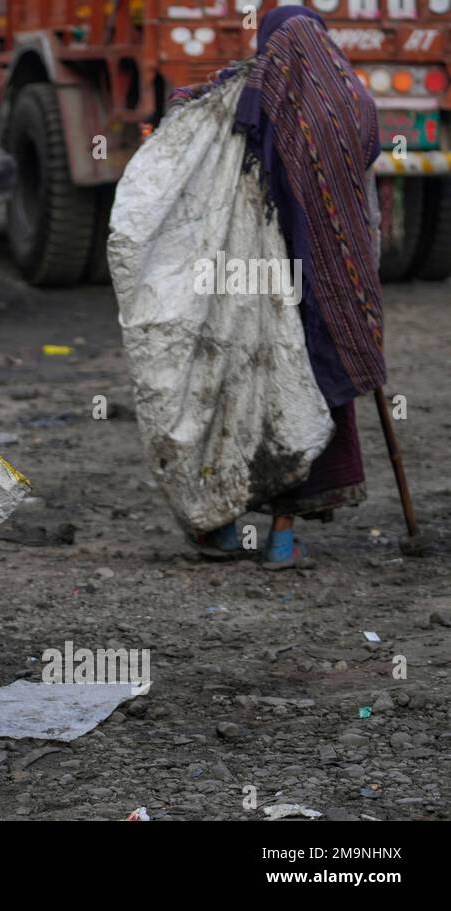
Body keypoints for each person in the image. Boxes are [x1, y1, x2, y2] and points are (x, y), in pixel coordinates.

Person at [178, 7, 385, 570]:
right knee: (305, 395)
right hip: (325, 290)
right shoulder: (352, 99)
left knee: (236, 392)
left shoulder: (252, 95)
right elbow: (363, 193)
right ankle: (282, 540)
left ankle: (220, 529)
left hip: (247, 285)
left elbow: (189, 131)